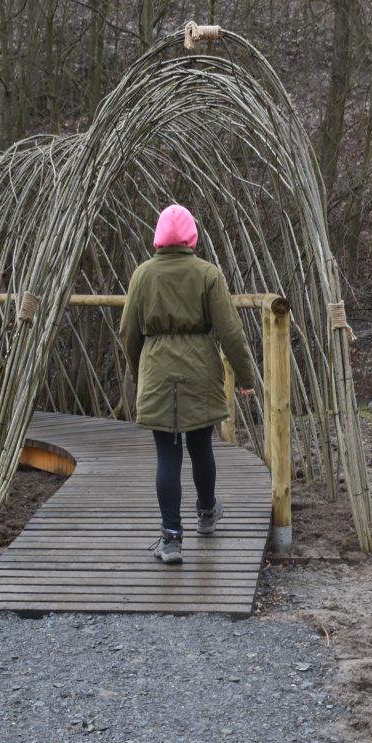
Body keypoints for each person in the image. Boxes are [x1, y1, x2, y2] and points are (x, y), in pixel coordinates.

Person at [120, 204, 256, 564]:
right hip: (200, 370)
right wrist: (245, 378)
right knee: (200, 447)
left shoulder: (142, 275)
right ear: (192, 236)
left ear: (159, 237)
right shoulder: (208, 274)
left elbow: (128, 333)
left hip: (156, 371)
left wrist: (140, 373)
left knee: (167, 455)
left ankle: (171, 539)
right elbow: (230, 331)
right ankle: (208, 515)